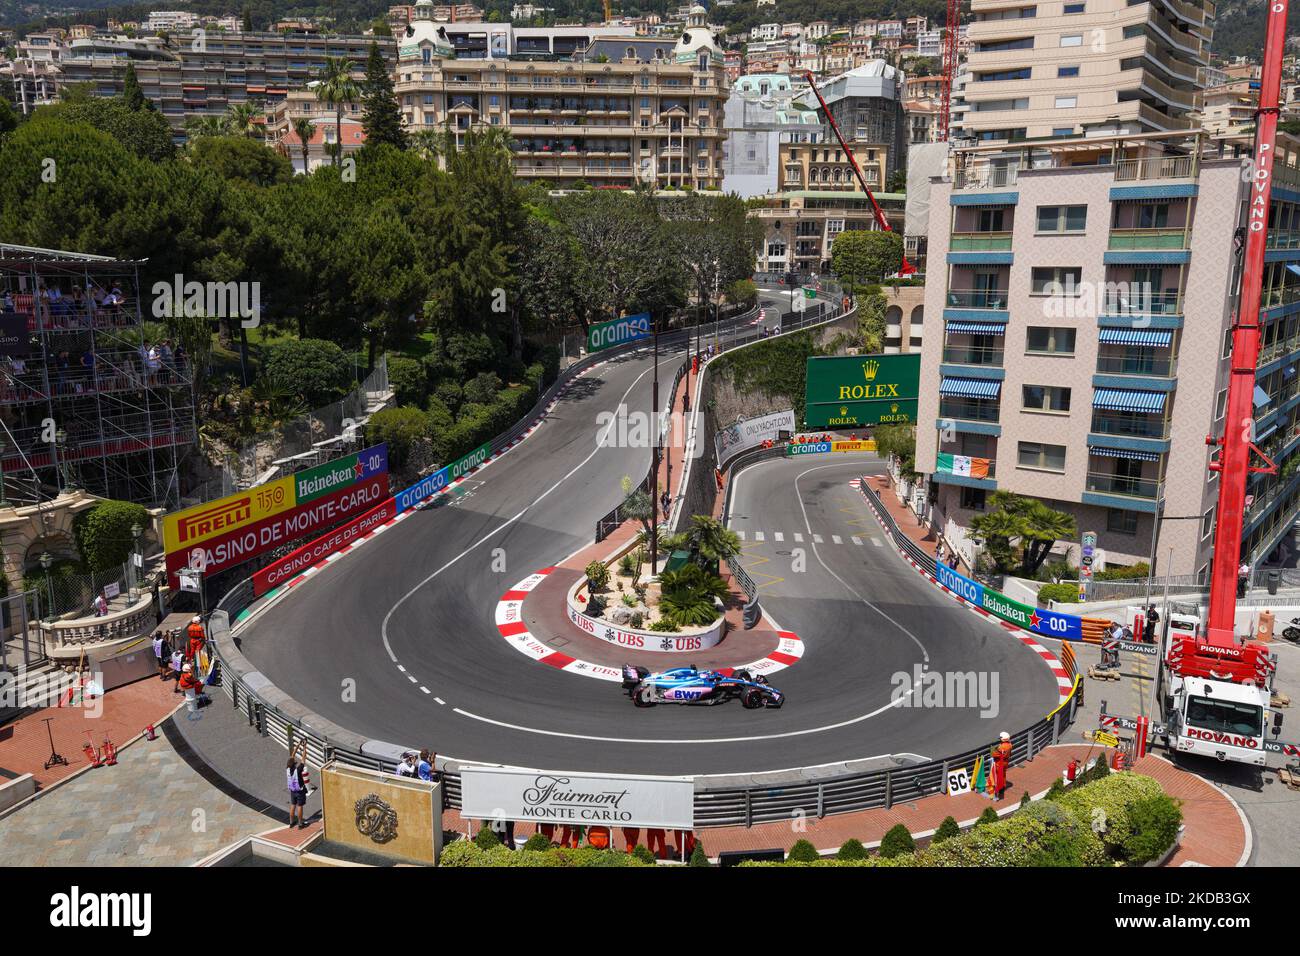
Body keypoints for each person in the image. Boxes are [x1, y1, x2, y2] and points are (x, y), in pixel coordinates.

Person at [286, 742, 308, 828]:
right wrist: (304, 747)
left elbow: (292, 756)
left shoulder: (287, 769)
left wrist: (298, 745)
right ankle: (300, 823)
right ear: (294, 764)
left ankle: (291, 822)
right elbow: (303, 759)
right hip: (299, 791)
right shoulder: (298, 770)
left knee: (293, 805)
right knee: (300, 806)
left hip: (292, 790)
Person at [992, 731, 1012, 800]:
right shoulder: (1010, 745)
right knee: (1003, 775)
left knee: (998, 776)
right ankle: (1002, 787)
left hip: (999, 763)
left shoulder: (1001, 747)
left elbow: (994, 754)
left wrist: (994, 750)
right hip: (1006, 762)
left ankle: (999, 790)